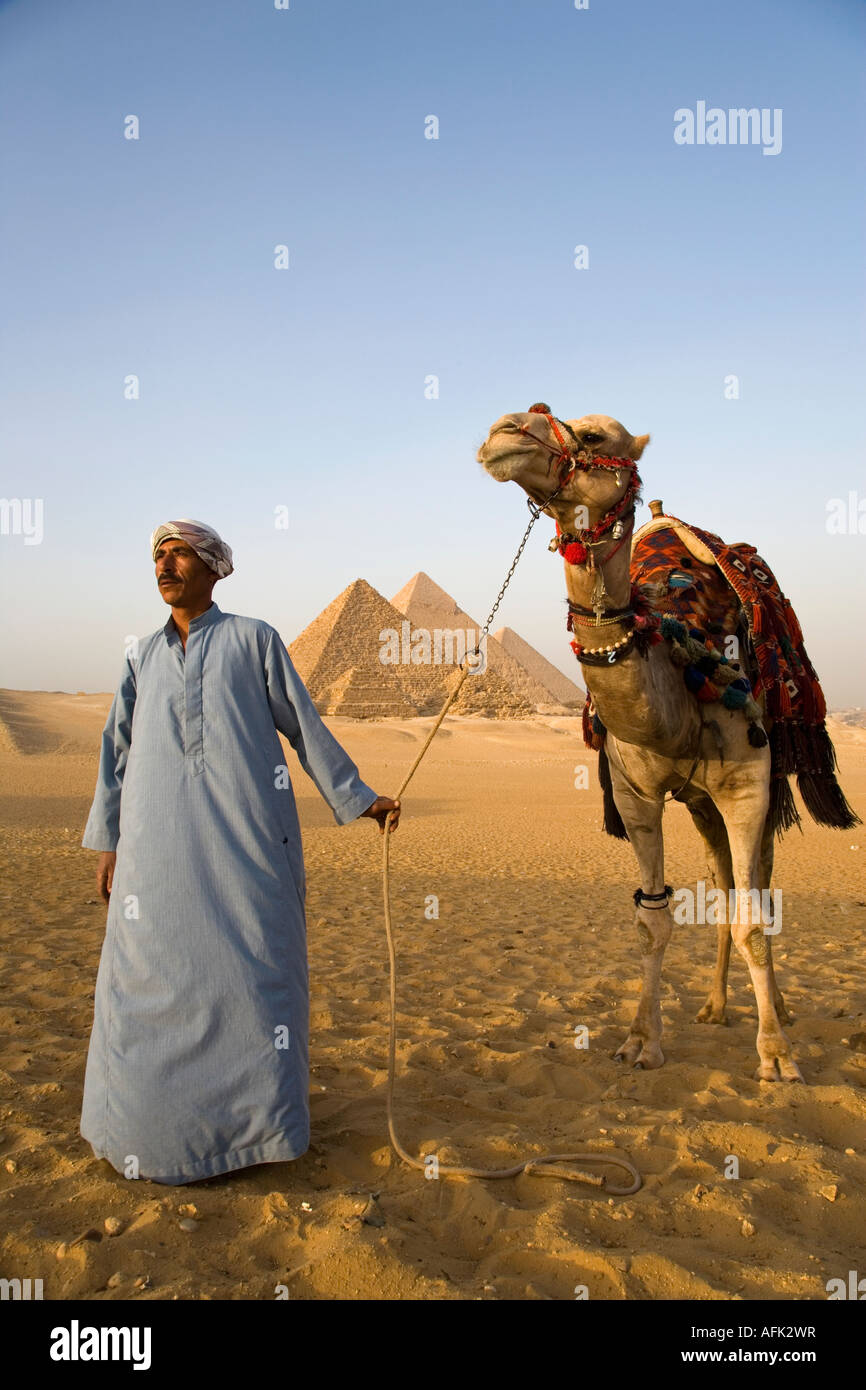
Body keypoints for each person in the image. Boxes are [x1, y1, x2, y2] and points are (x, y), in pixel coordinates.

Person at [80, 519, 400, 1184]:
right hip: (153, 850)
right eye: (159, 556)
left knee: (253, 971)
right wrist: (108, 842)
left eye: (181, 555)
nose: (166, 566)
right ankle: (145, 1133)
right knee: (148, 980)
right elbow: (116, 753)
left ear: (213, 568)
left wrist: (360, 797)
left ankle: (258, 1136)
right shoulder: (140, 656)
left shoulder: (254, 640)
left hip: (246, 842)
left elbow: (303, 727)